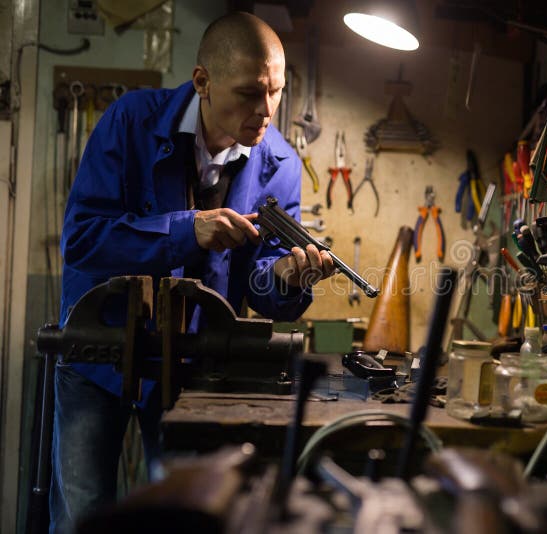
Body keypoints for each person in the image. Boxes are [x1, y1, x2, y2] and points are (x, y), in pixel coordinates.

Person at [51, 12, 333, 533]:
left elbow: (260, 284)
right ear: (202, 81)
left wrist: (288, 279)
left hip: (194, 367)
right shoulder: (131, 121)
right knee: (81, 516)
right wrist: (187, 229)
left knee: (191, 517)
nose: (266, 110)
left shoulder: (280, 162)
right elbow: (83, 241)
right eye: (250, 93)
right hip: (99, 352)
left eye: (276, 92)